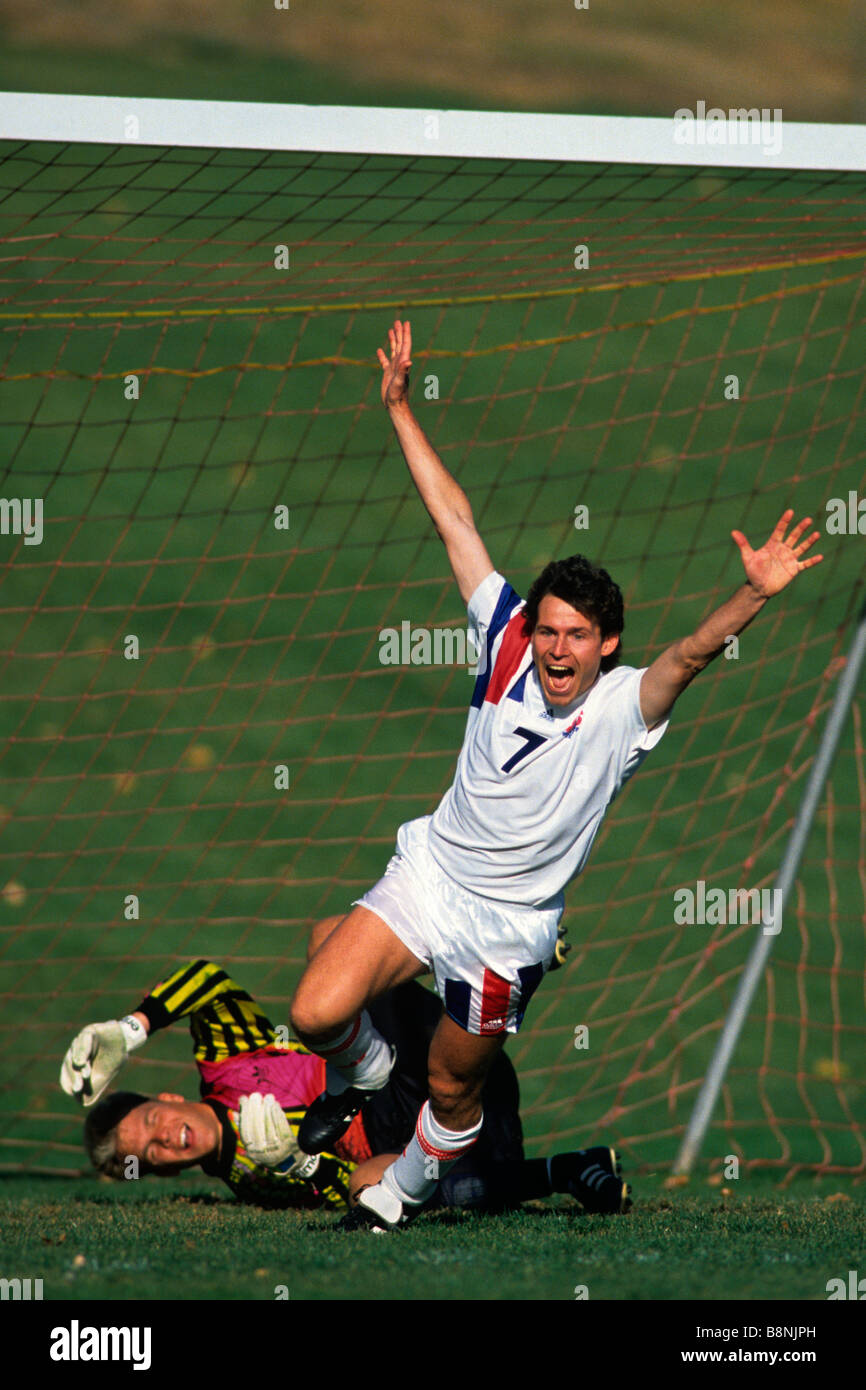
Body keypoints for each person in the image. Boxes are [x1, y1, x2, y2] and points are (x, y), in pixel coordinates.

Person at [288, 318, 823, 1232]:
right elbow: (454, 520)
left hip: (509, 928)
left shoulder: (623, 708)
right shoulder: (502, 638)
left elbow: (691, 654)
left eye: (578, 635)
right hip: (431, 876)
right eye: (548, 630)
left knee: (454, 1091)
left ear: (607, 643)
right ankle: (368, 1077)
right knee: (314, 1011)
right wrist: (400, 410)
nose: (557, 649)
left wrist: (755, 594)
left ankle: (400, 1191)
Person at [60, 917, 629, 1218]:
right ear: (164, 1172)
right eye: (151, 1155)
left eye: (152, 1123)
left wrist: (130, 1029)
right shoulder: (249, 1178)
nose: (164, 1139)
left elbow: (208, 980)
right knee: (370, 1193)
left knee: (326, 942)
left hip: (416, 1056)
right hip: (437, 1135)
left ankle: (498, 947)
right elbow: (337, 1191)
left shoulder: (224, 1062)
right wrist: (299, 1164)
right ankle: (564, 1172)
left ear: (168, 1098)